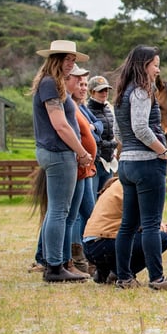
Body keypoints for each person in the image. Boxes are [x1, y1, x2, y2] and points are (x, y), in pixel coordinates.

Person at [114, 45, 167, 290]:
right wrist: (161, 150)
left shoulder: (122, 92)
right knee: (152, 224)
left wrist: (129, 149)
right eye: (155, 64)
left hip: (127, 164)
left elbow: (117, 131)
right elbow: (141, 128)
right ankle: (157, 278)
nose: (158, 69)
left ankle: (124, 276)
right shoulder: (142, 92)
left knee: (128, 225)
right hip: (146, 164)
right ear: (144, 65)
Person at [31, 40, 93, 282]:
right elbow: (60, 125)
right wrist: (81, 151)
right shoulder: (50, 85)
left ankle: (55, 262)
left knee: (58, 211)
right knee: (59, 210)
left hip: (56, 153)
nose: (71, 64)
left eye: (73, 60)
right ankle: (55, 266)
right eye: (68, 59)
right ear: (56, 59)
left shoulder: (51, 84)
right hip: (58, 153)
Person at [83, 177, 167, 284]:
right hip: (104, 244)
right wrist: (159, 226)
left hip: (90, 245)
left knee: (132, 235)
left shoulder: (118, 184)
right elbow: (144, 223)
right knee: (162, 239)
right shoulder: (134, 186)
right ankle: (121, 273)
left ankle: (105, 271)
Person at [69, 66, 100, 275]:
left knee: (81, 213)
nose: (83, 88)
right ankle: (78, 257)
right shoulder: (70, 106)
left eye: (85, 84)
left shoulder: (80, 107)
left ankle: (82, 257)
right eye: (79, 83)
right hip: (79, 166)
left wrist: (94, 132)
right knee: (80, 213)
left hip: (87, 167)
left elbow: (98, 127)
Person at [87, 75, 118, 194]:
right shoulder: (87, 109)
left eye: (106, 90)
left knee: (105, 198)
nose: (104, 93)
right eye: (100, 90)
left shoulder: (110, 109)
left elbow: (113, 133)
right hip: (96, 161)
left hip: (109, 161)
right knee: (92, 198)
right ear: (92, 92)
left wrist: (114, 152)